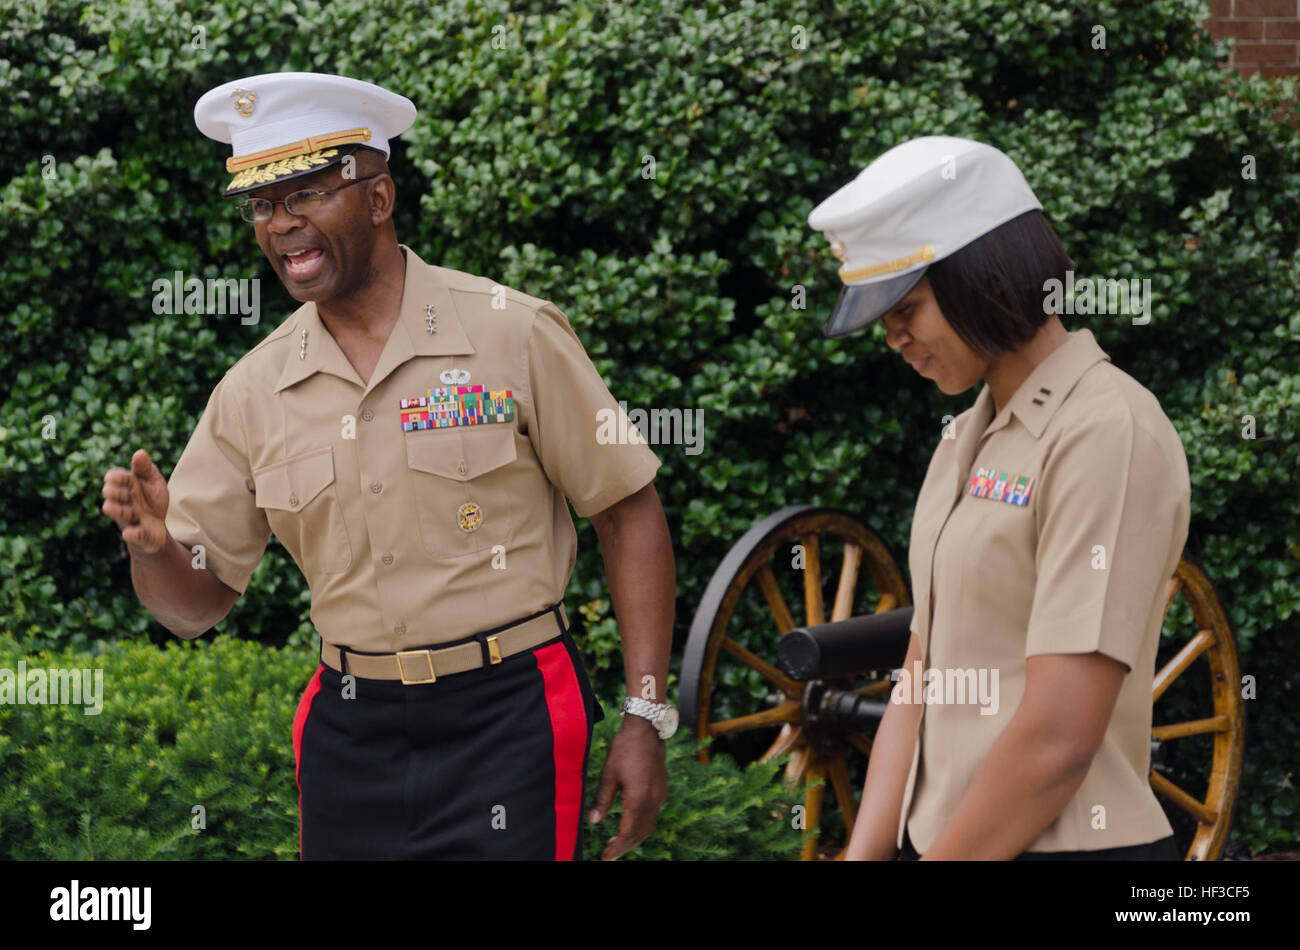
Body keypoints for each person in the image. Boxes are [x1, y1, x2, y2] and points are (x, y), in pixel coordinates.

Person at [100, 72, 679, 860]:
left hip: (509, 716)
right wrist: (156, 549)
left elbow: (627, 508)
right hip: (350, 730)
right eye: (264, 205)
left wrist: (646, 715)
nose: (282, 224)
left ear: (378, 199)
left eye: (306, 192)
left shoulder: (514, 334)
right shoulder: (252, 390)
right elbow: (193, 606)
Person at [807, 135, 1188, 860]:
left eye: (907, 308)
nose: (892, 336)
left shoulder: (1108, 431)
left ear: (986, 277)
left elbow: (1059, 741)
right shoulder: (965, 438)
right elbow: (917, 680)